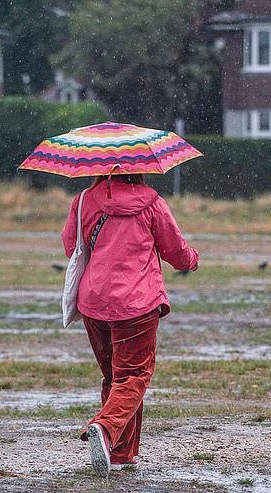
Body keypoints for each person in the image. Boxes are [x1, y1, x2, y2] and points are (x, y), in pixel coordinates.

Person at [62, 173, 198, 475]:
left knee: (114, 378)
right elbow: (175, 251)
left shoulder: (84, 201)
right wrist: (192, 259)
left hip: (95, 303)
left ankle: (120, 454)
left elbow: (71, 247)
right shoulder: (151, 203)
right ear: (141, 167)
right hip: (137, 304)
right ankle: (105, 428)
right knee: (134, 376)